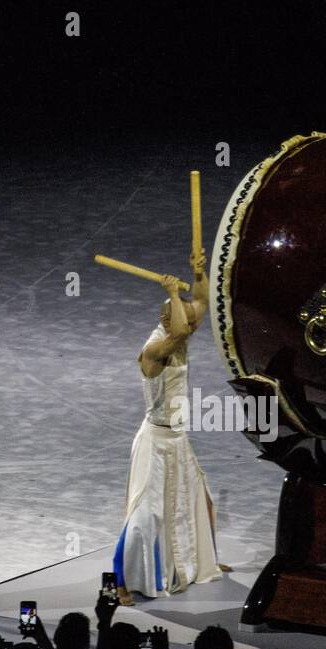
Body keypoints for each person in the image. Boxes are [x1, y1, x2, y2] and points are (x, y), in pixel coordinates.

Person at [113, 251, 224, 605]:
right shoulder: (155, 349)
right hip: (156, 441)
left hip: (178, 439)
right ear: (167, 317)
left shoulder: (178, 333)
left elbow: (203, 302)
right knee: (145, 516)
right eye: (187, 321)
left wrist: (198, 272)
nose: (193, 326)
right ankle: (122, 582)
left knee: (201, 501)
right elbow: (179, 327)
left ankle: (200, 560)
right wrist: (174, 293)